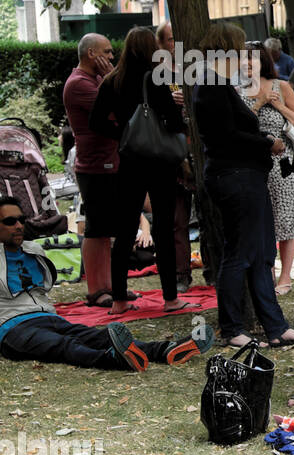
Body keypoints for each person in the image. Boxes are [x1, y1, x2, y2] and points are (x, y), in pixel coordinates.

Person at [192, 22, 294, 350]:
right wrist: (266, 142)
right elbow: (225, 137)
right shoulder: (211, 84)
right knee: (239, 254)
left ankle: (276, 326)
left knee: (261, 254)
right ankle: (232, 328)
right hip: (234, 177)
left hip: (247, 176)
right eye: (240, 47)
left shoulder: (219, 83)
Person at [0, 196, 213, 371]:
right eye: (10, 222)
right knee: (63, 346)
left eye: (21, 220)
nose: (18, 226)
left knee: (98, 335)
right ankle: (113, 360)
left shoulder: (34, 250)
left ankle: (166, 350)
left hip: (47, 316)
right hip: (11, 326)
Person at [89, 26, 190, 315]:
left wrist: (122, 133)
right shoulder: (156, 79)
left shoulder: (112, 81)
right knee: (164, 227)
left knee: (124, 229)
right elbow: (172, 122)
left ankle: (119, 299)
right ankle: (170, 297)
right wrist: (177, 111)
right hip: (159, 161)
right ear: (150, 48)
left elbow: (96, 122)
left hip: (130, 160)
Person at [240, 43, 294, 295]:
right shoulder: (237, 92)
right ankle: (267, 271)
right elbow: (240, 127)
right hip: (254, 164)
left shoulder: (282, 87)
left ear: (263, 61)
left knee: (287, 220)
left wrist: (278, 106)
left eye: (252, 59)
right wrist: (258, 104)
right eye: (243, 60)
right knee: (261, 221)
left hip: (285, 164)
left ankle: (285, 276)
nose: (247, 64)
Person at [62, 33, 117, 307]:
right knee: (96, 228)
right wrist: (113, 80)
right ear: (92, 54)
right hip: (95, 165)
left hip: (107, 161)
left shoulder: (94, 80)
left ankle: (108, 286)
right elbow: (115, 111)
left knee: (105, 228)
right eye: (106, 52)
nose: (111, 57)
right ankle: (96, 290)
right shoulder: (79, 84)